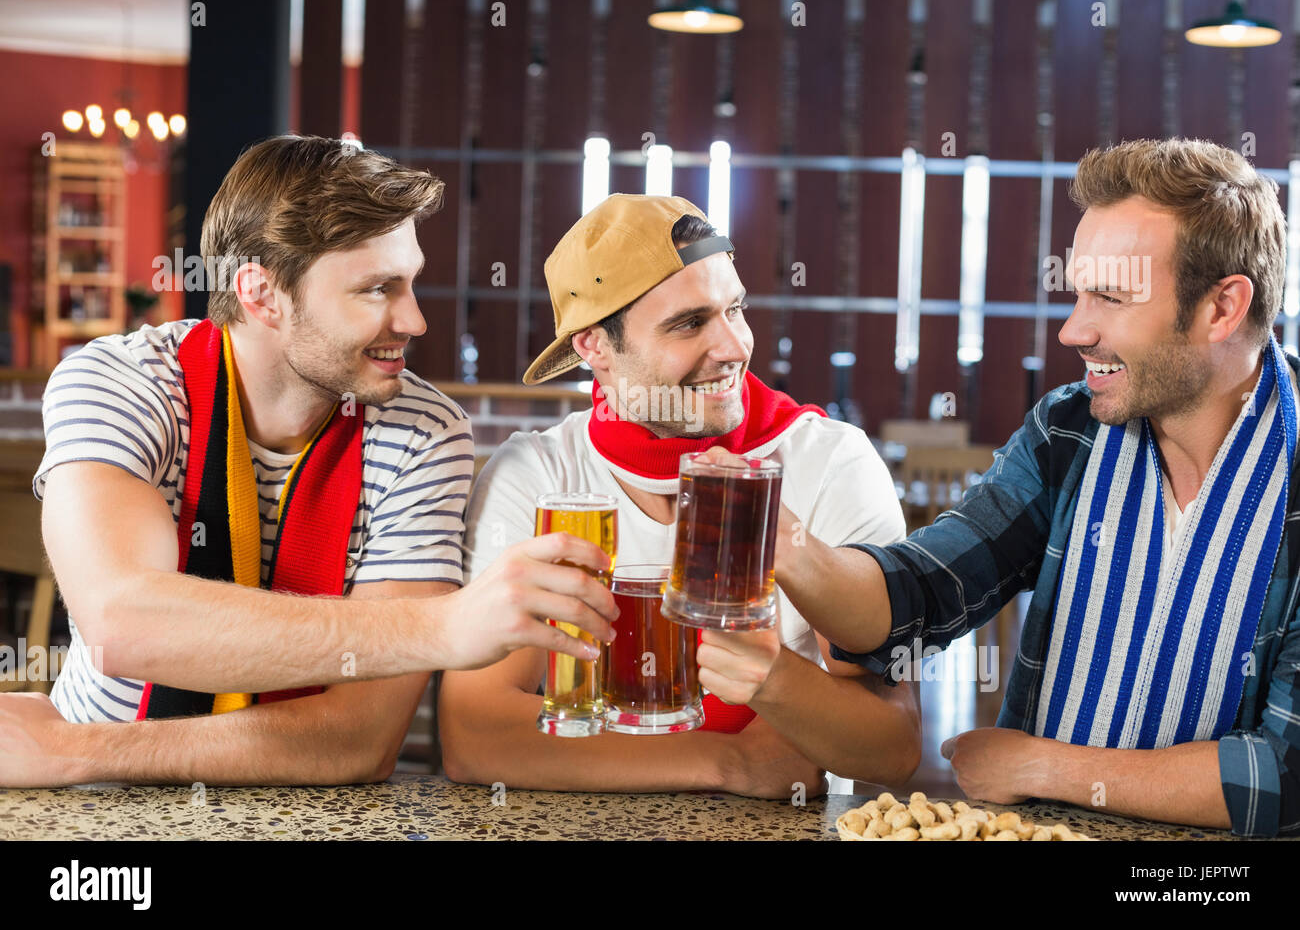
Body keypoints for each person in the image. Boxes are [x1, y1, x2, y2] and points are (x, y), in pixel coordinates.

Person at [0, 135, 616, 789]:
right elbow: (124, 622)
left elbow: (356, 743)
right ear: (263, 294)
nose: (414, 319)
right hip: (93, 806)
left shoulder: (427, 433)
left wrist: (81, 751)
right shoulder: (122, 380)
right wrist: (443, 627)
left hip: (241, 798)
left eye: (409, 282)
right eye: (378, 289)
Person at [777, 138, 1300, 836]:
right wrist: (778, 542)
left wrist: (1044, 767)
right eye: (1078, 293)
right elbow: (923, 593)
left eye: (1109, 297)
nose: (1072, 329)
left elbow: (1284, 777)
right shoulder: (1067, 430)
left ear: (1222, 307)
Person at [438, 194, 920, 797]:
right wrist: (728, 763)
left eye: (735, 309)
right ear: (594, 347)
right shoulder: (535, 474)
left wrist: (776, 679)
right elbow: (473, 732)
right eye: (689, 323)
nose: (734, 347)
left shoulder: (831, 460)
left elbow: (893, 744)